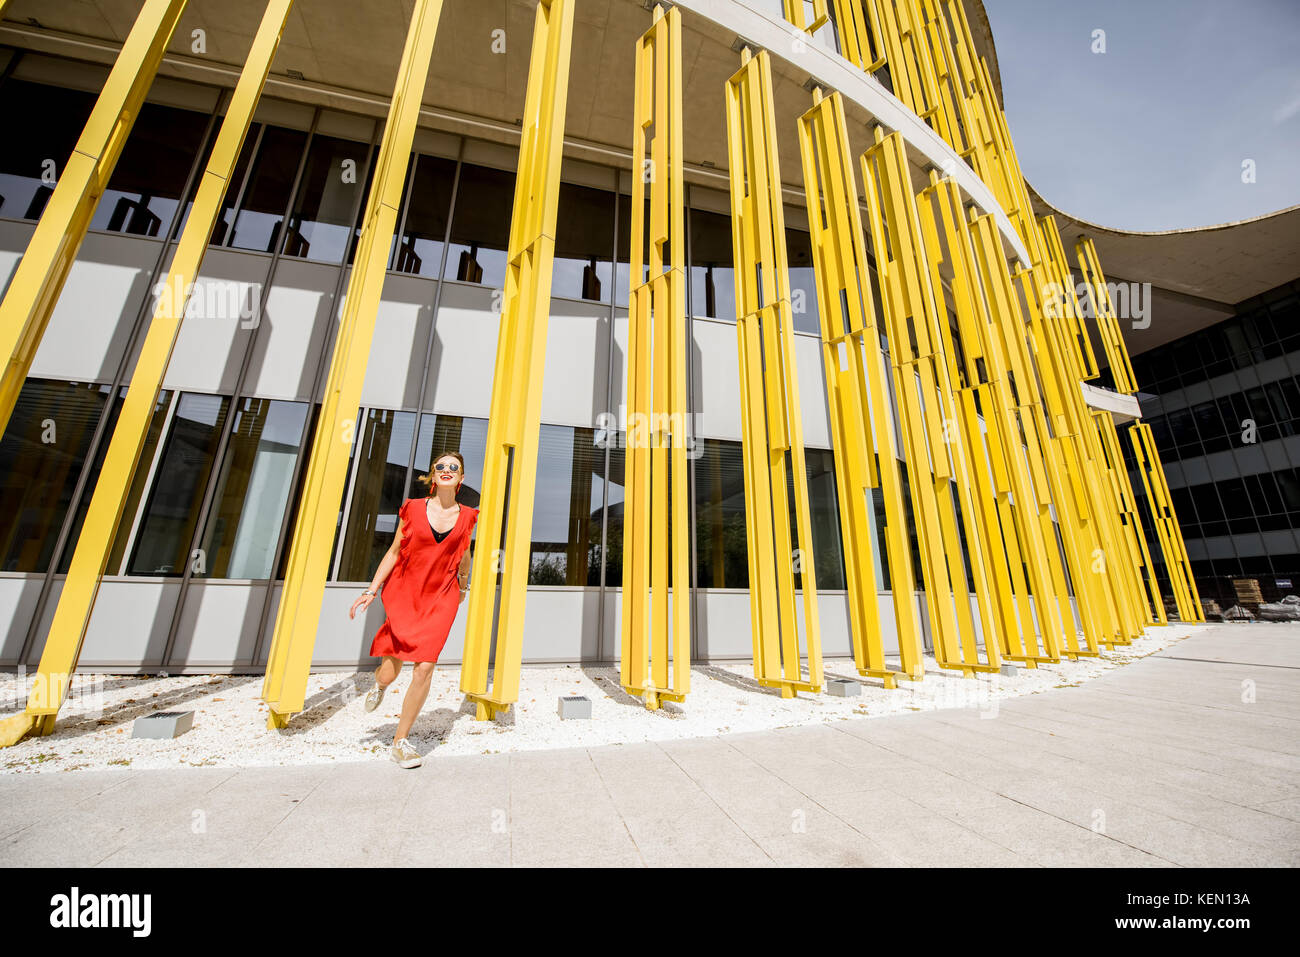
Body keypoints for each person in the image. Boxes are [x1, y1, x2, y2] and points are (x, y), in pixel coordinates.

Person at [348, 451, 479, 768]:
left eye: (453, 468)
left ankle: (400, 741)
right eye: (440, 467)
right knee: (390, 670)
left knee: (424, 666)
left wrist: (463, 587)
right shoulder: (413, 509)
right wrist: (371, 589)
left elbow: (463, 556)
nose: (446, 470)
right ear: (433, 476)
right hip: (406, 592)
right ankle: (380, 685)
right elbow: (394, 552)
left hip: (442, 596)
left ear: (460, 479)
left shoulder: (467, 517)